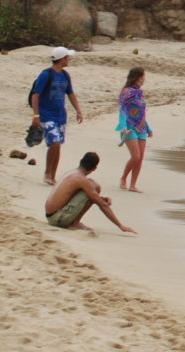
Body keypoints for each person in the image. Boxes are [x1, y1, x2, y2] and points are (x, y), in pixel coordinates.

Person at [45, 152, 135, 234]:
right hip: (58, 219)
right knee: (95, 187)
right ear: (95, 168)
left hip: (50, 215)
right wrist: (121, 226)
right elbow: (103, 205)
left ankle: (74, 221)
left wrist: (100, 198)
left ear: (81, 161)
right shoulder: (82, 180)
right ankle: (75, 223)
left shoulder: (71, 172)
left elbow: (68, 195)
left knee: (92, 189)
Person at [31, 46, 84, 185]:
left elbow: (70, 93)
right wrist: (36, 115)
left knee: (58, 145)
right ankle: (47, 173)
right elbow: (35, 95)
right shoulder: (46, 75)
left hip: (60, 115)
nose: (69, 59)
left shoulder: (65, 75)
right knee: (54, 143)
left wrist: (78, 110)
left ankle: (52, 175)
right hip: (46, 114)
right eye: (67, 57)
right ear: (62, 59)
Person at [117, 67, 152, 192]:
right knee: (135, 156)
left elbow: (141, 113)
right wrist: (123, 126)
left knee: (140, 158)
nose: (144, 79)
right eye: (143, 77)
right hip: (129, 128)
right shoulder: (127, 92)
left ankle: (133, 185)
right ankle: (123, 178)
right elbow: (122, 110)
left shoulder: (140, 93)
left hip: (142, 129)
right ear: (138, 77)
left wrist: (148, 128)